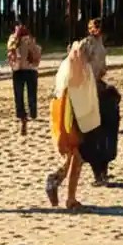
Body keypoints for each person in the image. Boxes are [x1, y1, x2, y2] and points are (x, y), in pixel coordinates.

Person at [46, 42, 101, 210]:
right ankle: (69, 197)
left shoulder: (66, 65)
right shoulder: (77, 69)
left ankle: (55, 181)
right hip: (71, 122)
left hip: (61, 119)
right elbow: (81, 98)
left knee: (71, 158)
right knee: (76, 158)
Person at [78, 17, 121, 185]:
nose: (92, 30)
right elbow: (77, 61)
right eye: (90, 27)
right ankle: (99, 173)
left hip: (96, 85)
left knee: (104, 132)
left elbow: (100, 67)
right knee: (95, 133)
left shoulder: (100, 44)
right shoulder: (87, 43)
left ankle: (102, 172)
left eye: (95, 27)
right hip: (89, 87)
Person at [8, 24, 43, 136]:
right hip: (23, 70)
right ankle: (26, 114)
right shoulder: (15, 39)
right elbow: (10, 49)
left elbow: (36, 52)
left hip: (25, 69)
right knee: (23, 93)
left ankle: (28, 113)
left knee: (27, 94)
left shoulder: (27, 39)